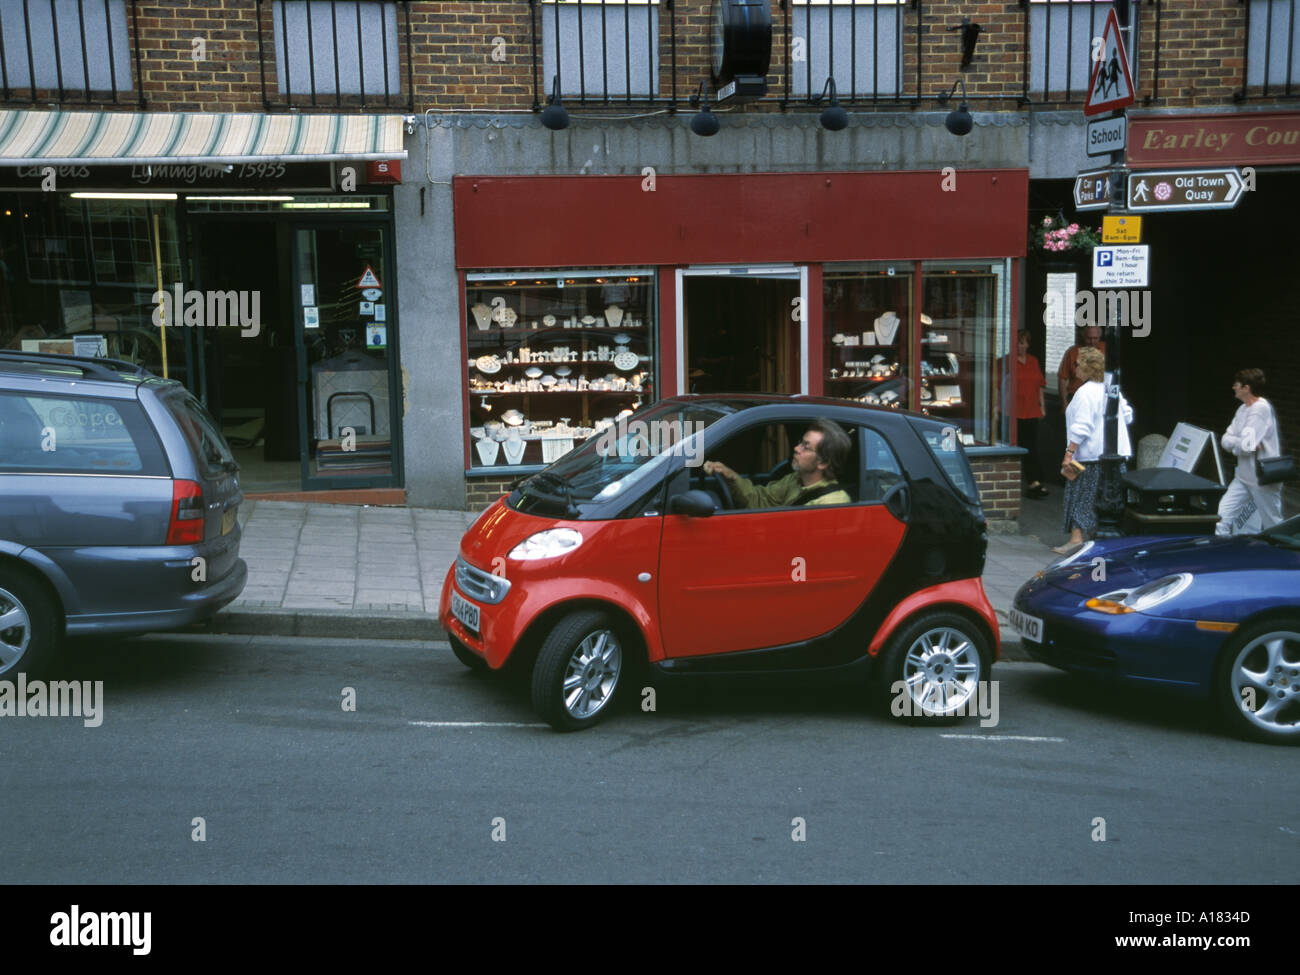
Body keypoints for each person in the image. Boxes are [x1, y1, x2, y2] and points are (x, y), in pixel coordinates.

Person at [1056, 346, 1133, 555]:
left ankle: (1076, 539)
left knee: (1080, 495)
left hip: (1089, 455)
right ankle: (1089, 538)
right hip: (1114, 455)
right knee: (1104, 498)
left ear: (1089, 367)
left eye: (1079, 364)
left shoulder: (1085, 392)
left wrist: (1069, 452)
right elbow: (1127, 414)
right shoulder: (1110, 388)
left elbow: (1081, 426)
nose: (1075, 368)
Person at [703, 419, 852, 508]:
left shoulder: (832, 502)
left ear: (823, 463)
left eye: (805, 447)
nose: (796, 448)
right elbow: (761, 500)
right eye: (801, 442)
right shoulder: (794, 480)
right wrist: (732, 477)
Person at [1216, 368, 1283, 535]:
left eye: (1236, 384)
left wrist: (1239, 444)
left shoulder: (1260, 409)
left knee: (1273, 524)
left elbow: (1245, 447)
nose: (1233, 387)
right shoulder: (1242, 409)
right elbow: (1227, 439)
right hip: (1243, 477)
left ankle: (1286, 557)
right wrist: (1238, 443)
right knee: (1221, 517)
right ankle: (1220, 552)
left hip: (1262, 478)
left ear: (1247, 388)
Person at [1001, 328, 1048, 498]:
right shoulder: (1005, 361)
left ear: (1028, 344)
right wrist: (996, 408)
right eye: (1017, 343)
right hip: (1012, 411)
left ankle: (1034, 482)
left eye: (1023, 342)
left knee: (1030, 447)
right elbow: (998, 387)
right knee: (1014, 447)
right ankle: (1014, 483)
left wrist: (1042, 406)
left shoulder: (1034, 361)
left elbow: (1039, 386)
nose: (1020, 346)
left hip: (1031, 411)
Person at [1057, 325, 1106, 404]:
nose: (1092, 342)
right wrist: (1064, 403)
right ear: (1083, 336)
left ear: (1100, 337)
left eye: (1095, 338)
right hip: (1076, 397)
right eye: (1089, 338)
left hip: (1100, 398)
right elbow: (1062, 378)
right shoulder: (1072, 352)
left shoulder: (1107, 349)